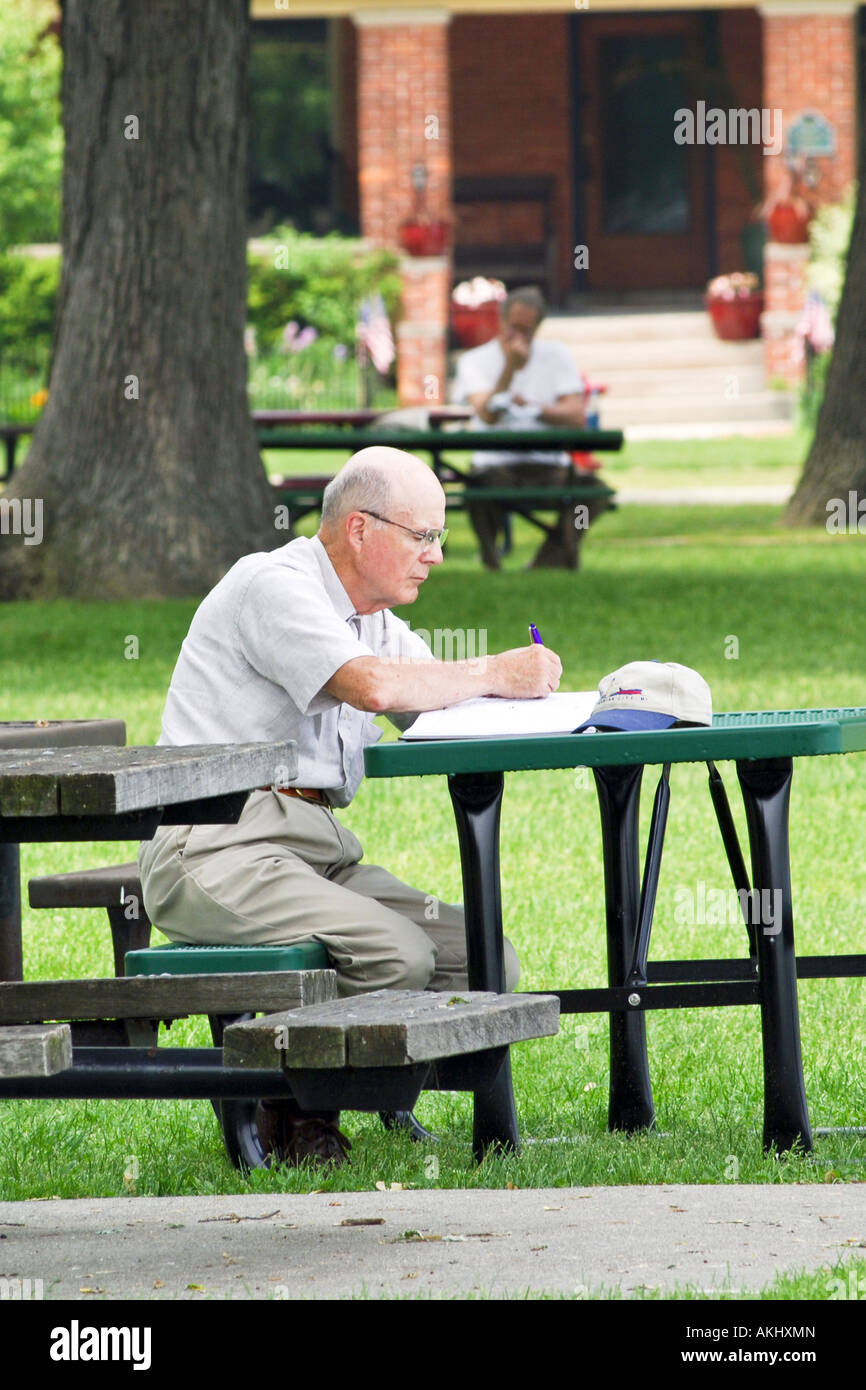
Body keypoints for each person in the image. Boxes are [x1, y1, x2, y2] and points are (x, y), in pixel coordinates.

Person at [138, 445, 562, 1164]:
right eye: (422, 535)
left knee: (484, 963)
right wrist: (496, 670)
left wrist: (543, 699)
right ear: (360, 528)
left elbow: (431, 702)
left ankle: (355, 1088)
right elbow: (374, 689)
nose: (435, 555)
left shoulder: (371, 617)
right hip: (214, 843)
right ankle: (291, 1111)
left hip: (314, 846)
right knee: (393, 954)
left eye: (440, 537)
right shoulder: (273, 585)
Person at [452, 285, 608, 570]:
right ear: (499, 321)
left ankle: (549, 559)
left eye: (528, 329)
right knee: (476, 487)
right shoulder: (474, 361)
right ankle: (492, 562)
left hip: (549, 468)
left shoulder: (557, 356)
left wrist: (535, 408)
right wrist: (510, 368)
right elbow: (486, 414)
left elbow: (576, 416)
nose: (520, 336)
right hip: (496, 468)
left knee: (594, 492)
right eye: (514, 327)